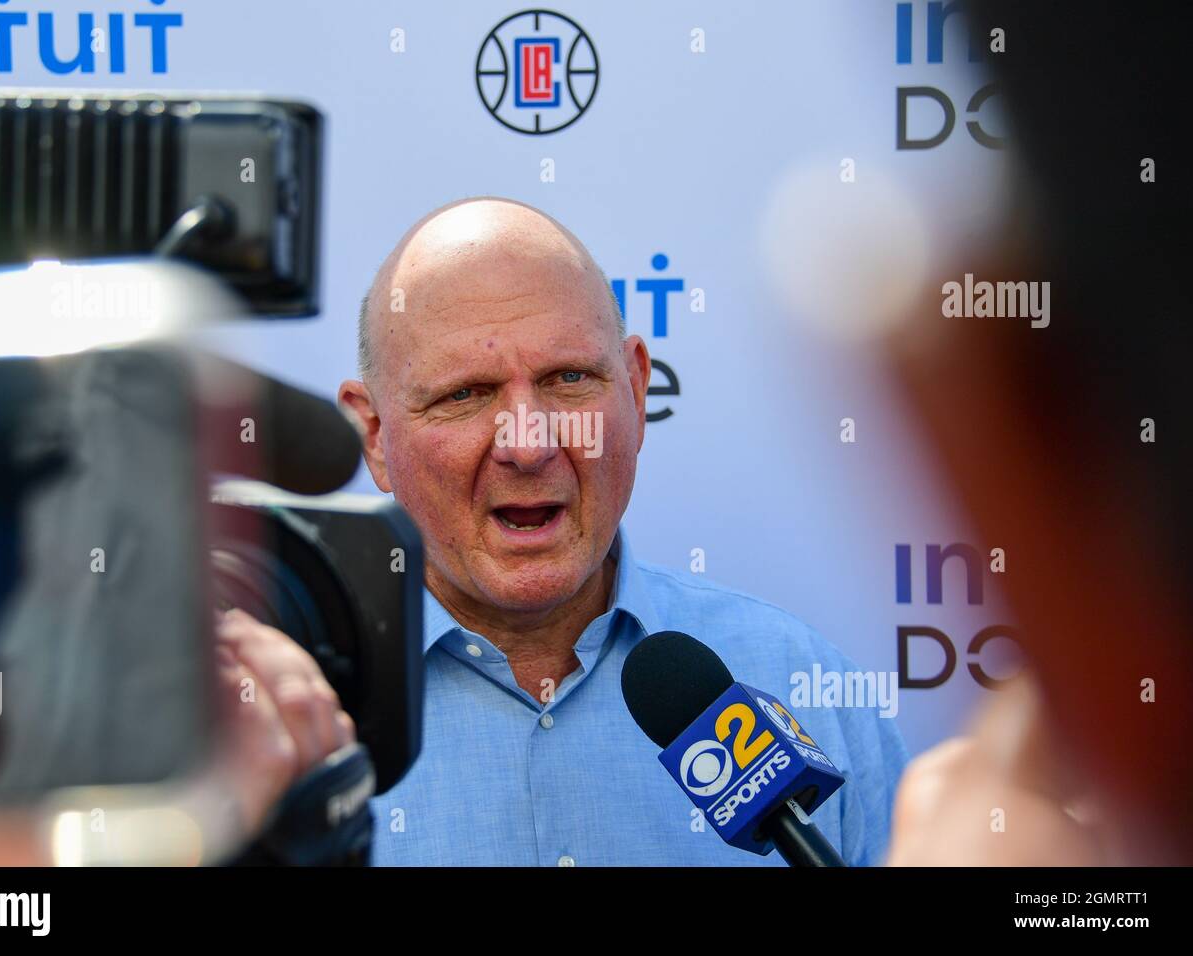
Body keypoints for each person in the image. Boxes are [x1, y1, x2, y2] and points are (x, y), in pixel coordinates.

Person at [336, 197, 908, 865]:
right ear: (374, 434)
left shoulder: (798, 678)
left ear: (636, 391)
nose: (529, 443)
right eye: (466, 394)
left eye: (569, 378)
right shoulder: (274, 724)